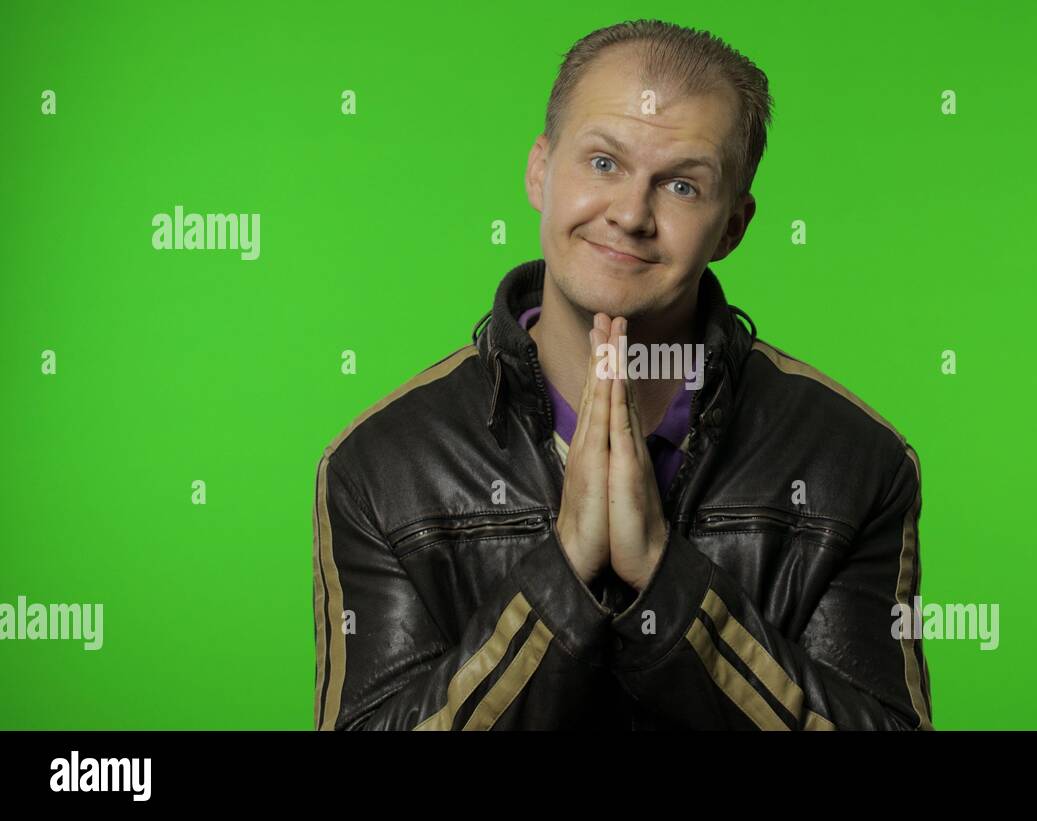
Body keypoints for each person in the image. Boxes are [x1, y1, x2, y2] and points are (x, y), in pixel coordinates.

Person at [313, 18, 932, 730]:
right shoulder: (382, 466)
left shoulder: (854, 464)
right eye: (603, 163)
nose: (632, 214)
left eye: (680, 185)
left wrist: (669, 581)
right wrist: (561, 573)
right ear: (540, 170)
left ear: (733, 226)